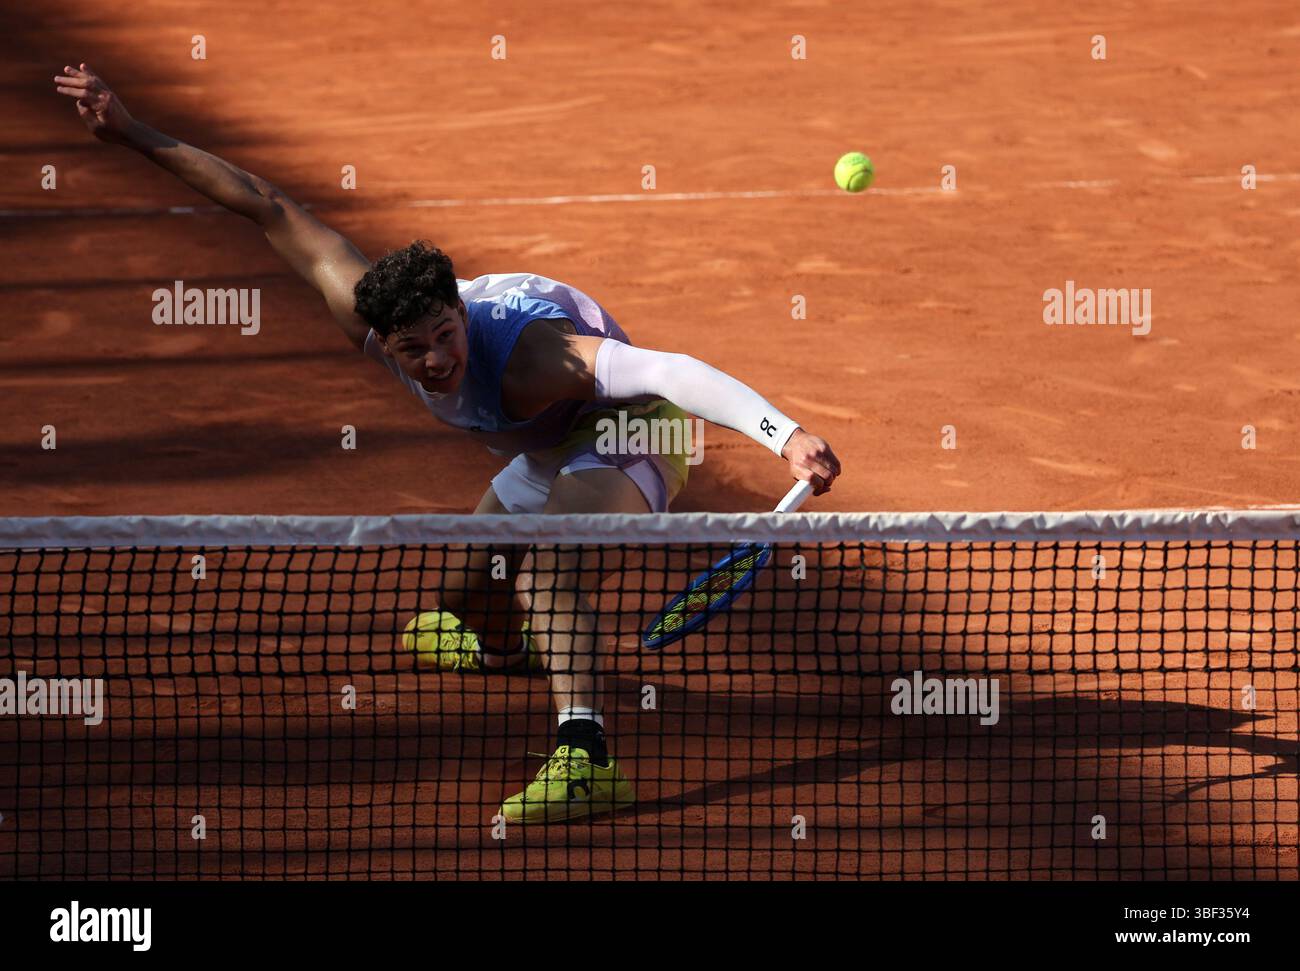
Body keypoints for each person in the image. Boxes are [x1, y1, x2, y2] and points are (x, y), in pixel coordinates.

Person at [55, 63, 842, 823]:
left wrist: (785, 434)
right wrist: (130, 131)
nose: (436, 359)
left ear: (459, 313)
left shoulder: (537, 358)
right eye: (414, 348)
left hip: (631, 425)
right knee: (468, 594)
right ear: (381, 339)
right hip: (541, 440)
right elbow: (266, 205)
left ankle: (588, 757)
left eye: (445, 334)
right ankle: (512, 652)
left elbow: (668, 370)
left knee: (548, 575)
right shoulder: (364, 312)